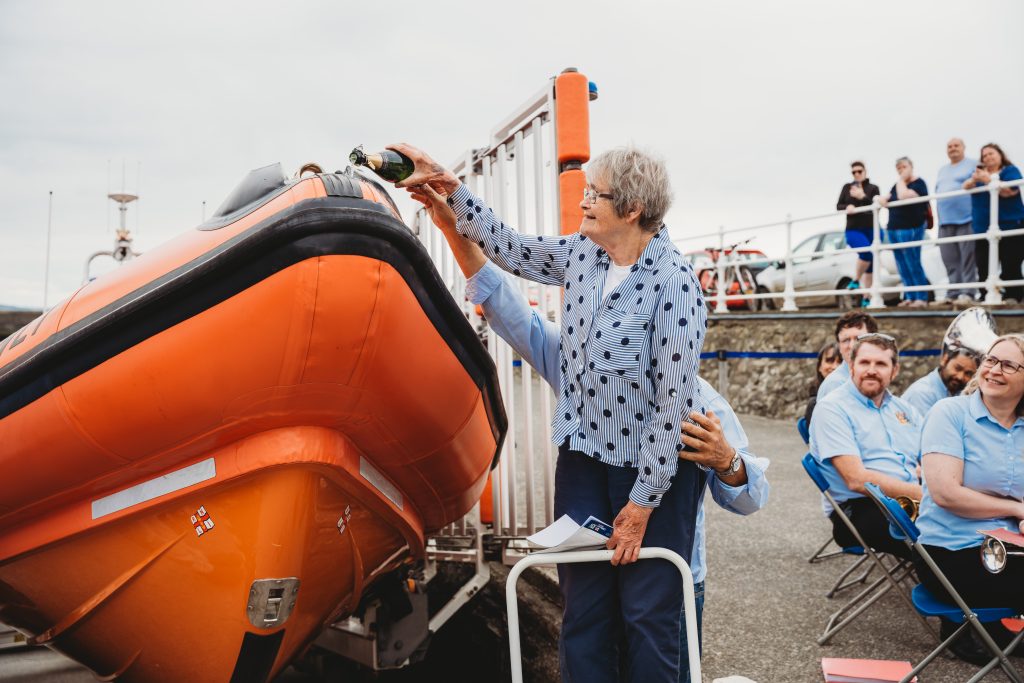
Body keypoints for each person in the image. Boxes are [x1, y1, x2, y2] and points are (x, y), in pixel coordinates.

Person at [393, 143, 706, 683]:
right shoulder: (583, 254)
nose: (583, 202)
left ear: (632, 210)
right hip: (584, 461)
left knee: (646, 615)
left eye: (594, 194)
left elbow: (671, 406)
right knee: (583, 607)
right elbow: (511, 249)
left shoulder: (675, 285)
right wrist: (448, 186)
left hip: (652, 475)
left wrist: (640, 506)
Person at [452, 249, 769, 683]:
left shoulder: (702, 406)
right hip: (596, 579)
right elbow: (516, 319)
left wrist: (727, 460)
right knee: (591, 656)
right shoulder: (581, 372)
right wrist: (455, 229)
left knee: (661, 666)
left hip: (672, 581)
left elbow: (752, 500)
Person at [914, 334, 1024, 662]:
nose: (993, 370)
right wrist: (1016, 507)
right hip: (950, 552)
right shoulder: (949, 412)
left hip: (1011, 548)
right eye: (990, 360)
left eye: (1007, 364)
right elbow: (946, 493)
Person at [810, 333, 922, 559]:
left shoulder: (905, 409)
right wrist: (929, 495)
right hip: (859, 508)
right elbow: (857, 480)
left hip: (913, 500)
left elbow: (929, 458)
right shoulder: (832, 408)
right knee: (942, 543)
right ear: (851, 367)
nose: (871, 369)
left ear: (895, 370)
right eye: (864, 362)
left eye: (881, 363)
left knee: (967, 531)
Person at [964, 143, 1024, 303]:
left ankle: (1014, 295)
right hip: (982, 227)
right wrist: (974, 179)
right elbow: (965, 186)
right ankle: (985, 294)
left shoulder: (1010, 171)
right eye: (985, 155)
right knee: (982, 263)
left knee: (1011, 262)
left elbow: (1010, 191)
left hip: (1010, 224)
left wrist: (989, 180)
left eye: (991, 153)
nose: (988, 157)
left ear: (1000, 155)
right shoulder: (978, 174)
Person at [879, 157, 931, 307]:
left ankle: (921, 297)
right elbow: (884, 200)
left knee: (912, 261)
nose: (901, 170)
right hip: (894, 228)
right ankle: (909, 296)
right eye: (899, 168)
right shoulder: (897, 185)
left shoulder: (919, 184)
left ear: (911, 167)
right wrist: (879, 198)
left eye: (904, 167)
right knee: (901, 264)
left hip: (911, 227)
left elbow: (903, 195)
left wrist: (901, 179)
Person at [935, 138, 979, 304]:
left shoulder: (972, 164)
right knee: (949, 258)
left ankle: (968, 292)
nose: (953, 149)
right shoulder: (942, 170)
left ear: (963, 148)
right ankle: (953, 291)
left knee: (967, 257)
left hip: (966, 218)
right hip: (945, 221)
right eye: (949, 146)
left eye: (956, 145)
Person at [836, 161, 881, 294]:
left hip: (871, 228)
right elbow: (838, 206)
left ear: (865, 171)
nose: (856, 174)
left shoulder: (873, 188)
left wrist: (862, 197)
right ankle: (855, 280)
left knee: (871, 262)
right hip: (853, 228)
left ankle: (866, 298)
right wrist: (847, 207)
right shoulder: (847, 187)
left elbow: (875, 208)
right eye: (853, 172)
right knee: (866, 252)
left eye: (859, 171)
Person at [816, 311, 879, 401]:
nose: (852, 345)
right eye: (846, 340)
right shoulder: (836, 384)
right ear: (840, 347)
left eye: (859, 339)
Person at [901, 347, 978, 418]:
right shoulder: (922, 394)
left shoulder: (957, 392)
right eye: (957, 368)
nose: (960, 377)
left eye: (968, 373)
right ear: (944, 360)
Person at [804, 342, 840, 426]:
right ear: (820, 367)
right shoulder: (814, 403)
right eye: (830, 361)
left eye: (841, 362)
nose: (835, 367)